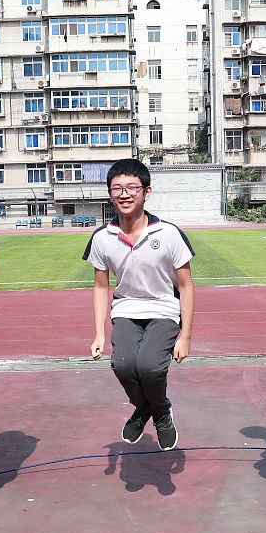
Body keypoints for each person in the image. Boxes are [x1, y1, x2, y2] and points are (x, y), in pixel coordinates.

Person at [85, 158, 194, 450]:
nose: (124, 194)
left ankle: (160, 410)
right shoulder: (102, 238)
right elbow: (100, 286)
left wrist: (186, 336)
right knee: (122, 365)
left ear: (146, 192)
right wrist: (98, 334)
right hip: (126, 310)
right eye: (117, 188)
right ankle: (147, 408)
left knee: (149, 368)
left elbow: (185, 285)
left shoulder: (168, 234)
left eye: (132, 187)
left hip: (164, 310)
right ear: (109, 194)